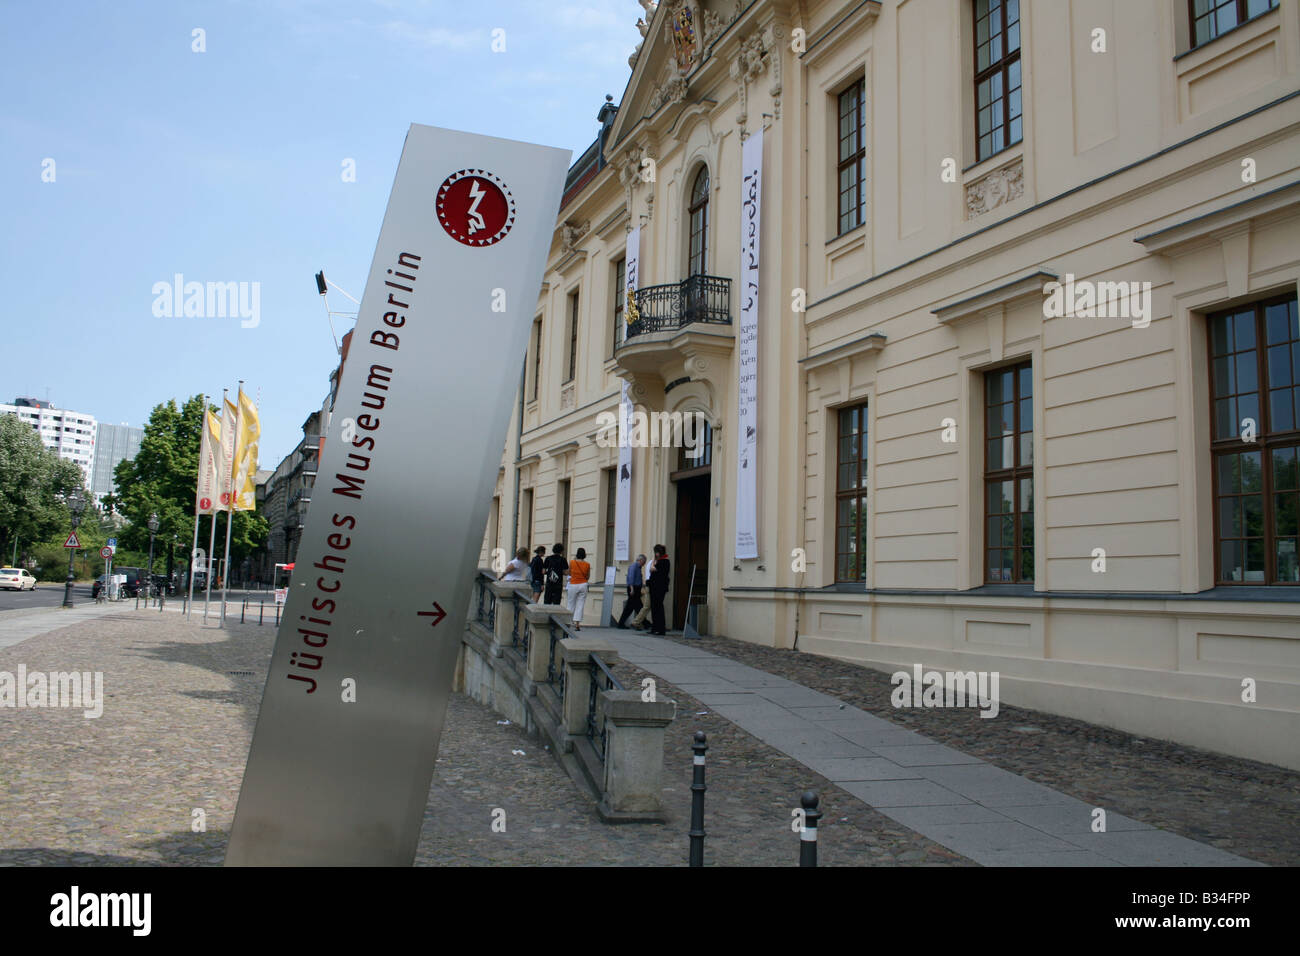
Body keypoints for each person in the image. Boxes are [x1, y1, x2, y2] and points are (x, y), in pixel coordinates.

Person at [617, 554, 647, 628]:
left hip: (636, 589)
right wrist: (632, 589)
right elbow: (631, 578)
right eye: (644, 561)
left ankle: (621, 623)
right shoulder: (634, 566)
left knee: (632, 608)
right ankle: (645, 623)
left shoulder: (638, 567)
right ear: (641, 560)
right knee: (638, 607)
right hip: (633, 589)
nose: (644, 563)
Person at [647, 544, 671, 635]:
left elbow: (652, 568)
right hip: (656, 587)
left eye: (656, 552)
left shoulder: (663, 562)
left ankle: (660, 628)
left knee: (658, 608)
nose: (655, 554)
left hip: (658, 588)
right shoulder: (663, 561)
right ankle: (656, 627)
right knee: (655, 608)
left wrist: (654, 560)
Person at [567, 547, 591, 630]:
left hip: (573, 584)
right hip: (583, 585)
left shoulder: (572, 562)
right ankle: (577, 624)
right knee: (580, 604)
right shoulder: (587, 564)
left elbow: (569, 573)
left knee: (571, 603)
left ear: (577, 554)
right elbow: (588, 577)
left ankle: (569, 622)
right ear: (584, 555)